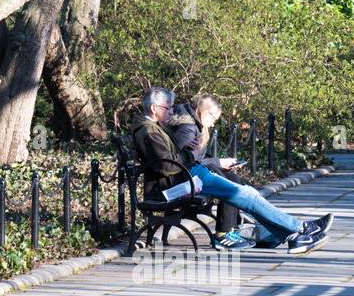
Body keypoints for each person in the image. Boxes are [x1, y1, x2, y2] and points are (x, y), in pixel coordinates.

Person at [130, 87, 332, 253]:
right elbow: (165, 166)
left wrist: (199, 159)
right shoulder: (148, 131)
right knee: (244, 194)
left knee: (247, 193)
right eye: (168, 108)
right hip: (177, 186)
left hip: (188, 177)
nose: (172, 112)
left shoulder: (155, 127)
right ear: (155, 108)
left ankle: (294, 235)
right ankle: (300, 228)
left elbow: (171, 161)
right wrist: (193, 155)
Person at [166, 95, 250, 239]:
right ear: (205, 112)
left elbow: (195, 157)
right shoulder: (188, 128)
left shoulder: (194, 125)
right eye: (214, 120)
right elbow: (182, 163)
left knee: (233, 178)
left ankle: (229, 228)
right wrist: (217, 163)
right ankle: (225, 232)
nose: (212, 124)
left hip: (189, 176)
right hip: (180, 181)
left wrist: (220, 162)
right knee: (231, 183)